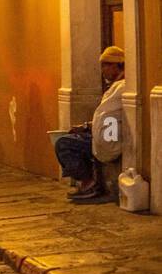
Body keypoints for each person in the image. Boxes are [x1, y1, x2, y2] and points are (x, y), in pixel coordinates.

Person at [54, 46, 126, 201]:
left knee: (64, 144)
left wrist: (101, 137)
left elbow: (111, 120)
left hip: (109, 140)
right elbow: (105, 118)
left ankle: (89, 183)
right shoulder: (115, 87)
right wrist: (86, 127)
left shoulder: (122, 87)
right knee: (71, 138)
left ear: (116, 65)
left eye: (106, 65)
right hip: (102, 136)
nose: (103, 70)